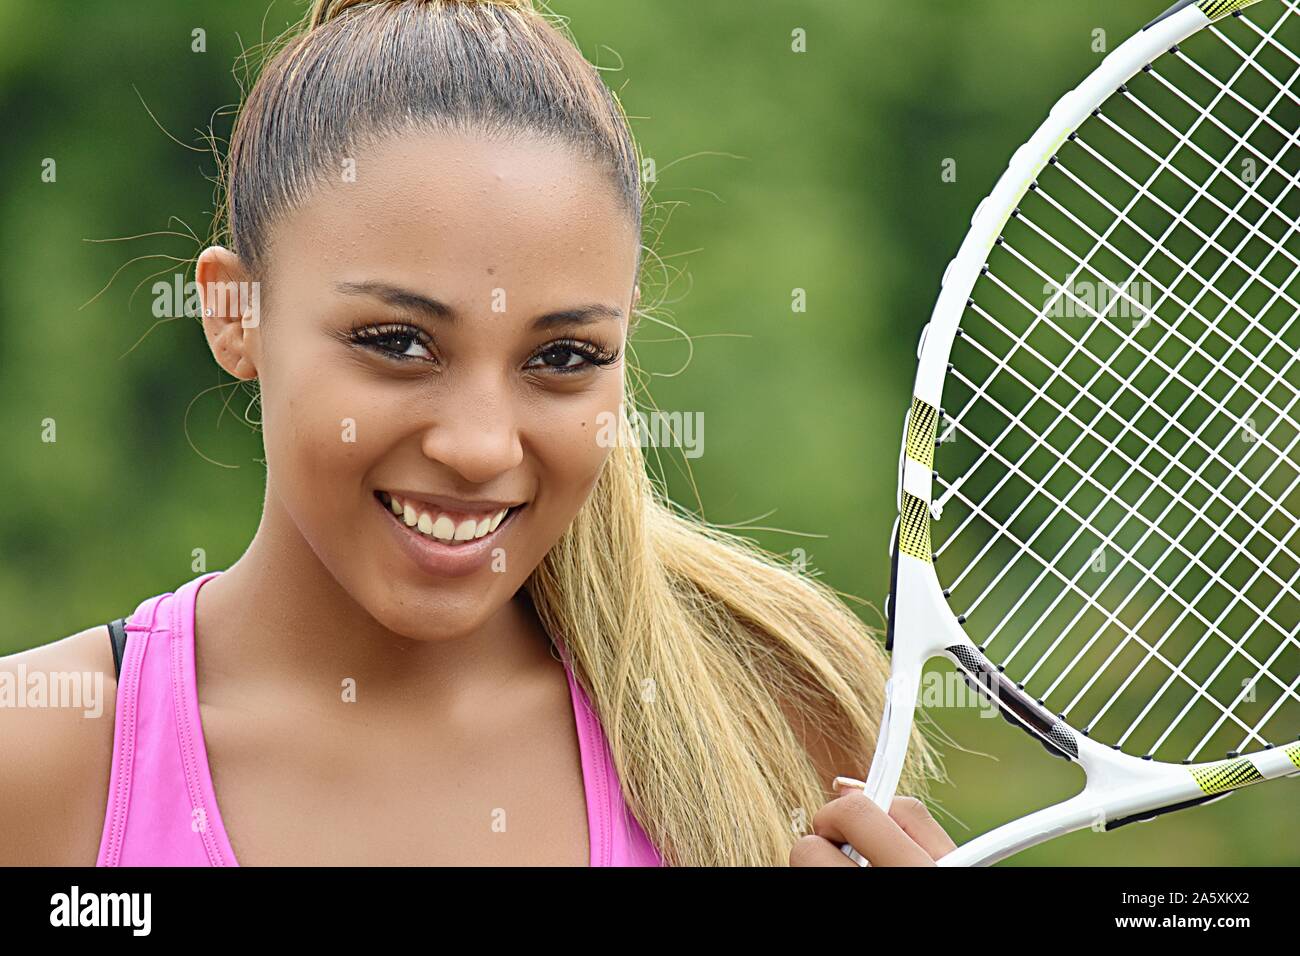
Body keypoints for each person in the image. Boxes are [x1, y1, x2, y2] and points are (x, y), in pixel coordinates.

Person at [0, 0, 947, 866]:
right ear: (234, 313)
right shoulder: (38, 753)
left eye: (565, 356)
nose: (484, 446)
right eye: (399, 343)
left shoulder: (773, 713)